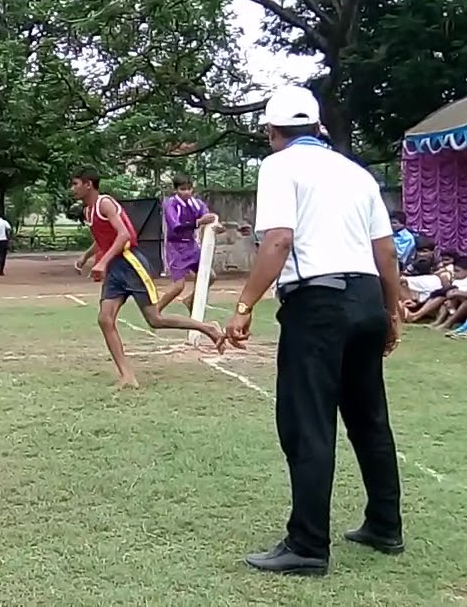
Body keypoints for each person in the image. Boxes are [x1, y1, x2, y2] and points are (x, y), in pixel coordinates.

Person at [224, 86, 403, 576]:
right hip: (366, 297)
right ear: (319, 128)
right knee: (368, 418)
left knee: (308, 423)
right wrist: (391, 310)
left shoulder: (279, 166)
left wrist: (243, 305)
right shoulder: (356, 172)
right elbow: (384, 250)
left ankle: (307, 545)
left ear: (272, 132)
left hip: (318, 303)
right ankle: (385, 524)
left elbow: (279, 239)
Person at [71, 167, 230, 389]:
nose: (73, 189)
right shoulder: (89, 211)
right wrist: (85, 257)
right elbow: (104, 238)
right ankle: (127, 377)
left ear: (88, 184)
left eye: (75, 183)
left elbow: (124, 235)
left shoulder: (105, 203)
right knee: (104, 319)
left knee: (155, 319)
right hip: (116, 268)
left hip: (131, 263)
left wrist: (102, 262)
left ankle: (208, 329)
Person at [158, 174, 219, 313]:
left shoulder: (197, 203)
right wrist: (198, 222)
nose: (186, 192)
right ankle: (156, 309)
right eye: (182, 189)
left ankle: (191, 300)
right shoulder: (171, 204)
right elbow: (176, 227)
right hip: (176, 248)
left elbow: (208, 217)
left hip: (191, 245)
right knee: (178, 286)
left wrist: (216, 224)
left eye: (189, 188)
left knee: (210, 276)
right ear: (176, 190)